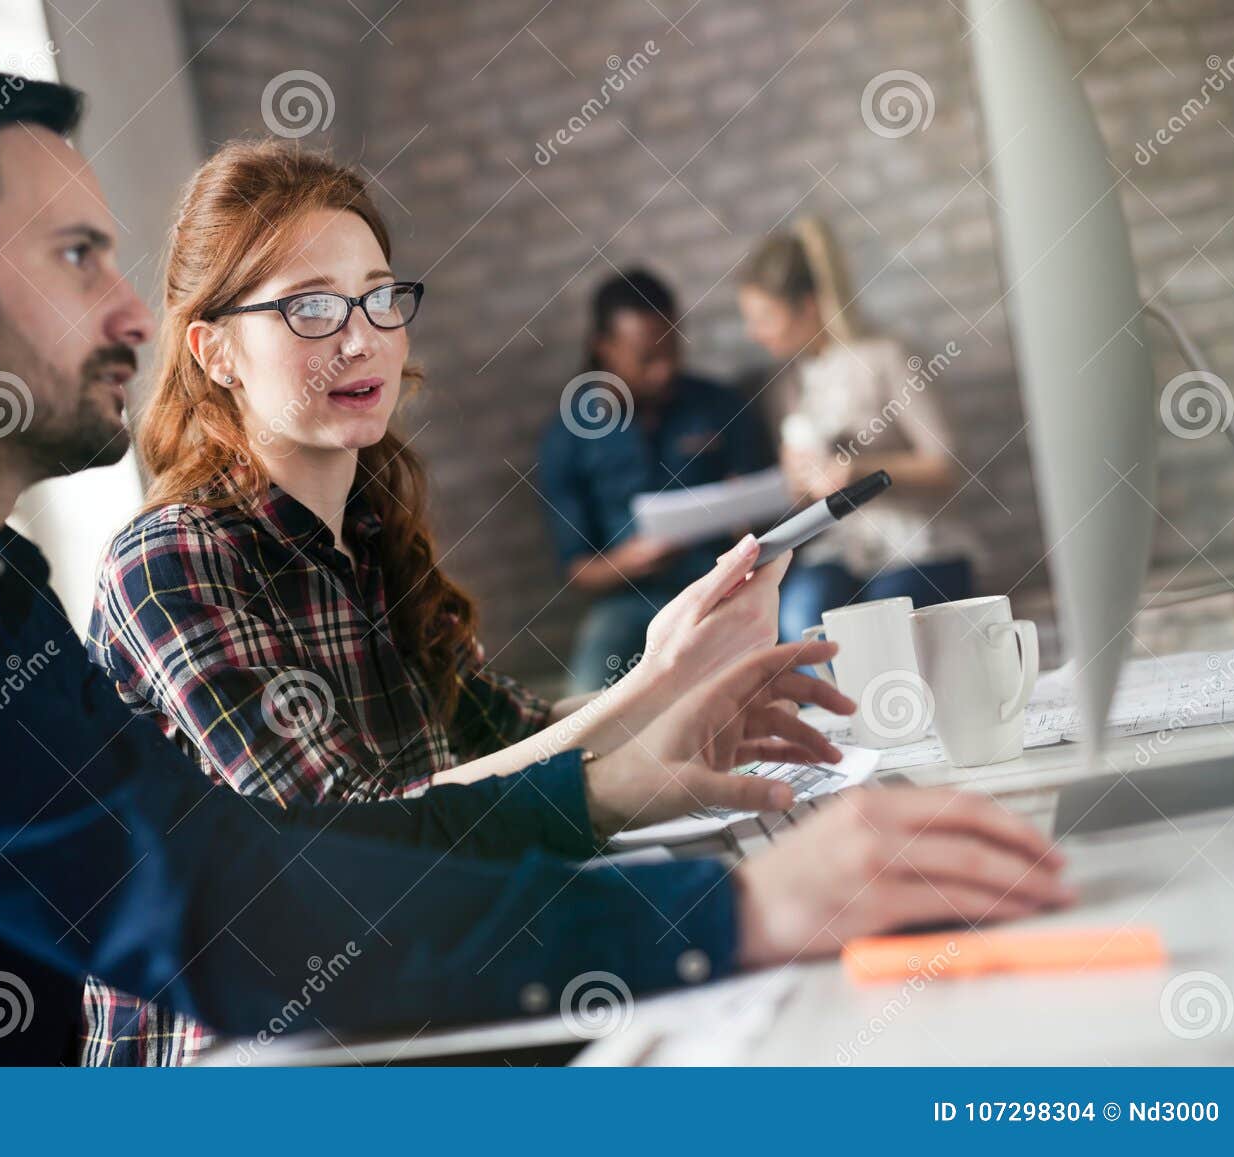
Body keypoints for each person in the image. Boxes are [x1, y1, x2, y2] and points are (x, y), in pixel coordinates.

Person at [0, 67, 1072, 1066]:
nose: (130, 304)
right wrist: (743, 907)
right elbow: (225, 913)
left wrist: (620, 779)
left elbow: (254, 857)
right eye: (80, 254)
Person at [83, 143, 786, 1064]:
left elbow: (507, 732)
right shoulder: (172, 559)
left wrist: (683, 687)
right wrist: (645, 694)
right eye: (311, 307)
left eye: (379, 295)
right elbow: (348, 836)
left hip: (397, 988)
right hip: (248, 1057)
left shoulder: (369, 536)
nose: (361, 335)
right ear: (215, 352)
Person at [737, 219, 977, 643]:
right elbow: (805, 495)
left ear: (808, 306)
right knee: (799, 621)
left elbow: (947, 467)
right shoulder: (787, 384)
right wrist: (797, 484)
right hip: (841, 550)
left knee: (880, 632)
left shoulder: (887, 357)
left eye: (764, 318)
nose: (754, 334)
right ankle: (837, 710)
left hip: (918, 543)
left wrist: (859, 470)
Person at [539, 269, 776, 694]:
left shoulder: (720, 406)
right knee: (586, 699)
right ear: (604, 349)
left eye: (671, 352)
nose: (664, 370)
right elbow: (575, 569)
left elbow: (764, 505)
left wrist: (744, 533)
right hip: (631, 601)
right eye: (647, 358)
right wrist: (630, 561)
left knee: (768, 675)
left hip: (719, 585)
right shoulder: (570, 437)